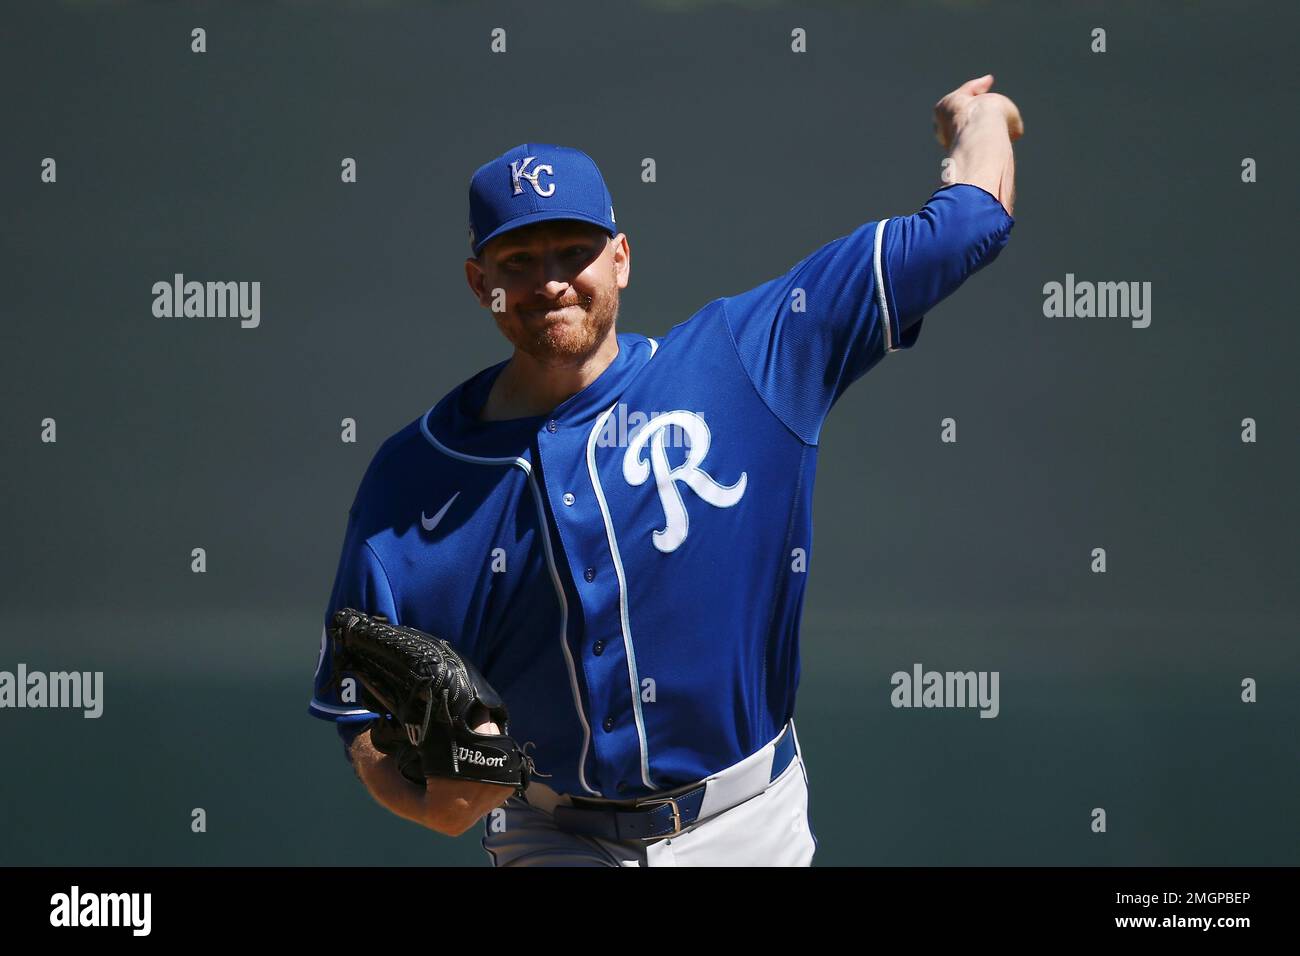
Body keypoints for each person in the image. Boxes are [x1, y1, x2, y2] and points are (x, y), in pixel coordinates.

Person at [308, 75, 1023, 866]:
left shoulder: (747, 361)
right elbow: (358, 713)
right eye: (518, 257)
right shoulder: (412, 482)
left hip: (748, 822)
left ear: (620, 259)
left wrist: (978, 124)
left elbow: (967, 227)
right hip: (554, 834)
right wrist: (426, 801)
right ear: (482, 283)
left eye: (573, 250)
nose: (550, 279)